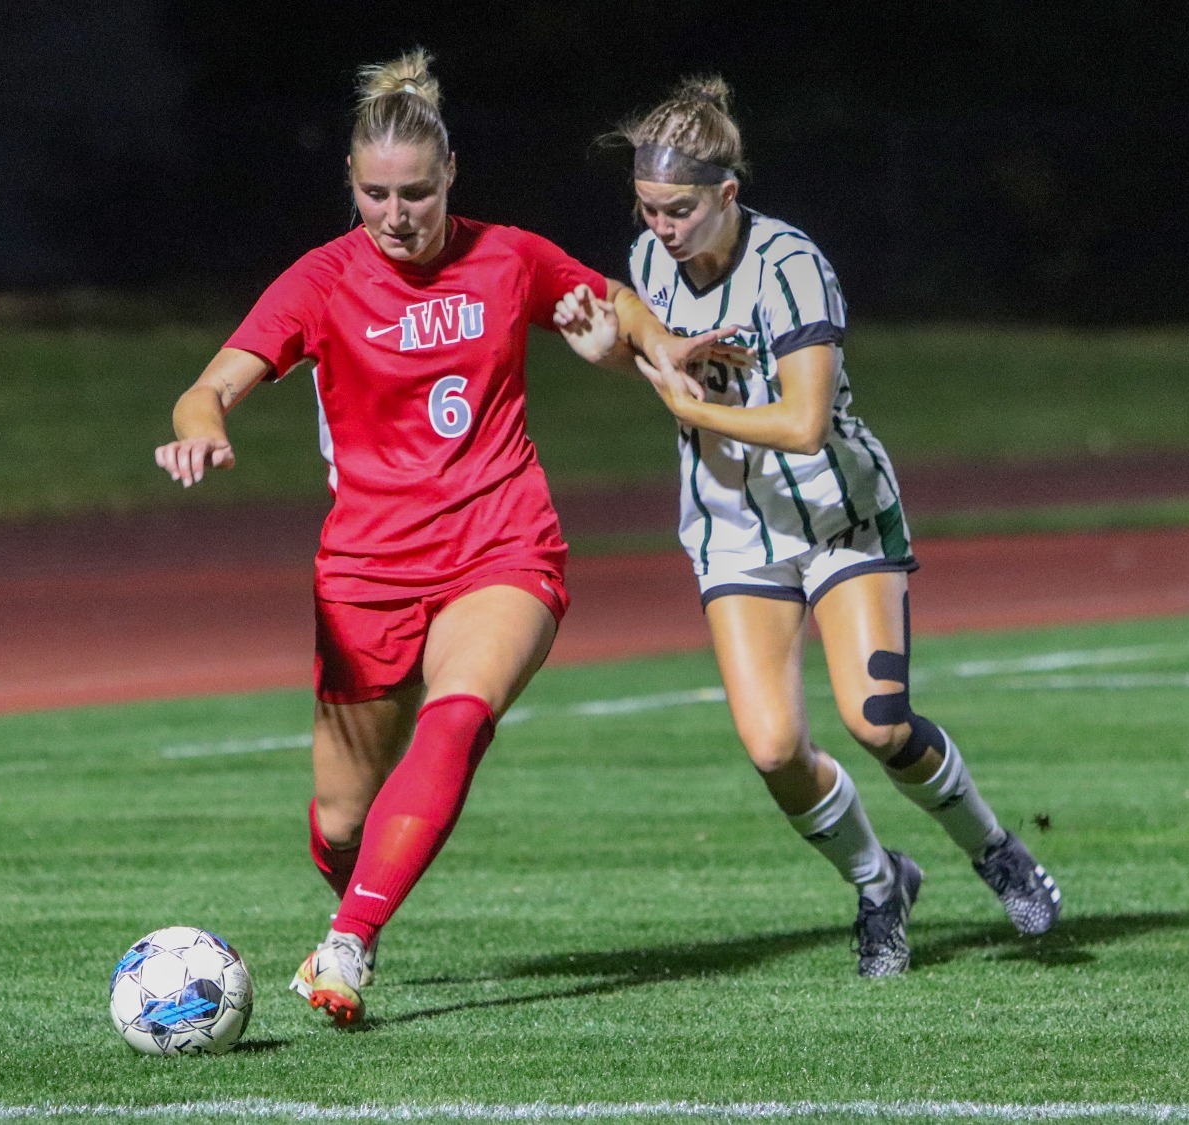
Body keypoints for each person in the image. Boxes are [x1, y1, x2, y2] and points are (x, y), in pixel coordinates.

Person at [156, 51, 728, 1025]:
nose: (395, 213)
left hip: (502, 538)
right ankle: (353, 888)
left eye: (414, 192)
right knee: (342, 821)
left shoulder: (505, 256)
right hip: (367, 569)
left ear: (449, 175)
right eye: (375, 194)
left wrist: (662, 347)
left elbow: (605, 302)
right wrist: (201, 431)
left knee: (459, 715)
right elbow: (209, 385)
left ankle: (346, 949)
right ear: (351, 184)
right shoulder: (323, 279)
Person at [553, 77, 1062, 976]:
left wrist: (684, 403)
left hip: (839, 514)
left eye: (678, 209)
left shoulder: (790, 265)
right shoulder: (646, 262)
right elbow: (654, 353)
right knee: (773, 746)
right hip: (734, 529)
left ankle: (993, 848)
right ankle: (878, 885)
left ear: (727, 194)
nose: (661, 227)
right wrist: (615, 358)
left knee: (877, 722)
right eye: (647, 209)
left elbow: (801, 422)